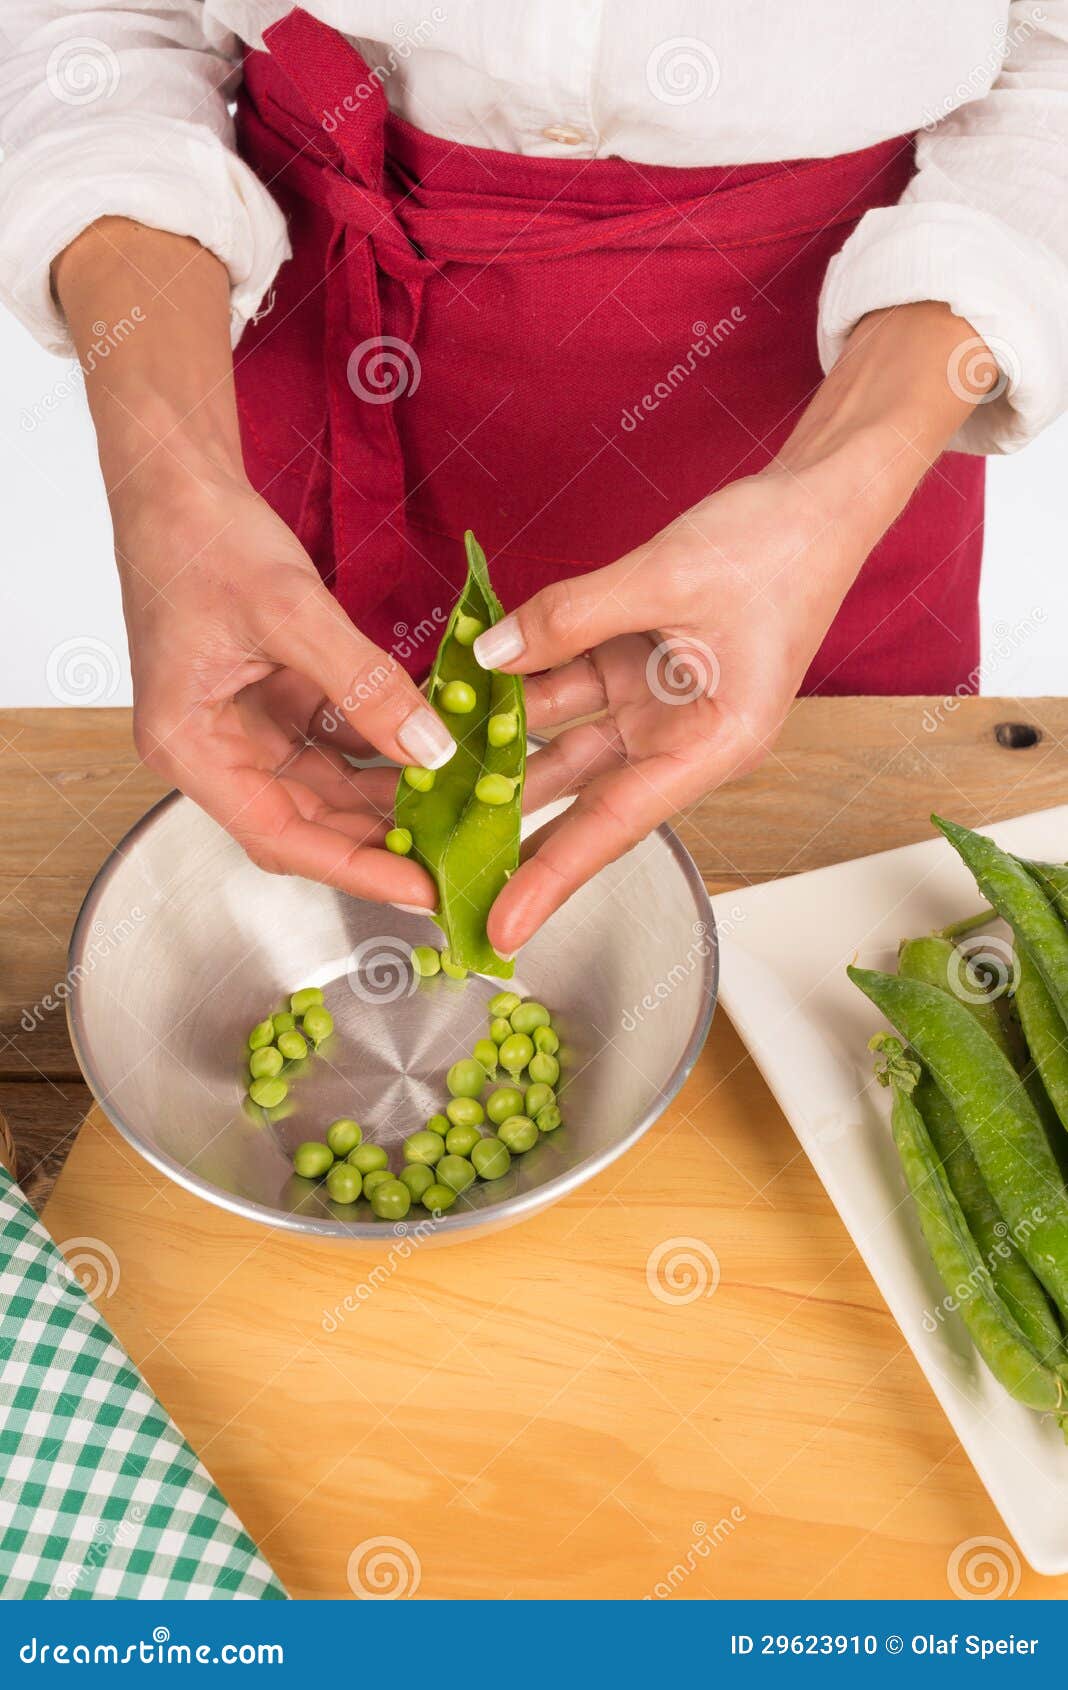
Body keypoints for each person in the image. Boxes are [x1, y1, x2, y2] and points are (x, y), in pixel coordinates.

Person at [2, 4, 1065, 957]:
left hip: (852, 403)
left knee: (844, 943)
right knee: (321, 832)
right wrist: (169, 478)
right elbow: (89, 23)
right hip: (305, 363)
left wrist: (839, 484)